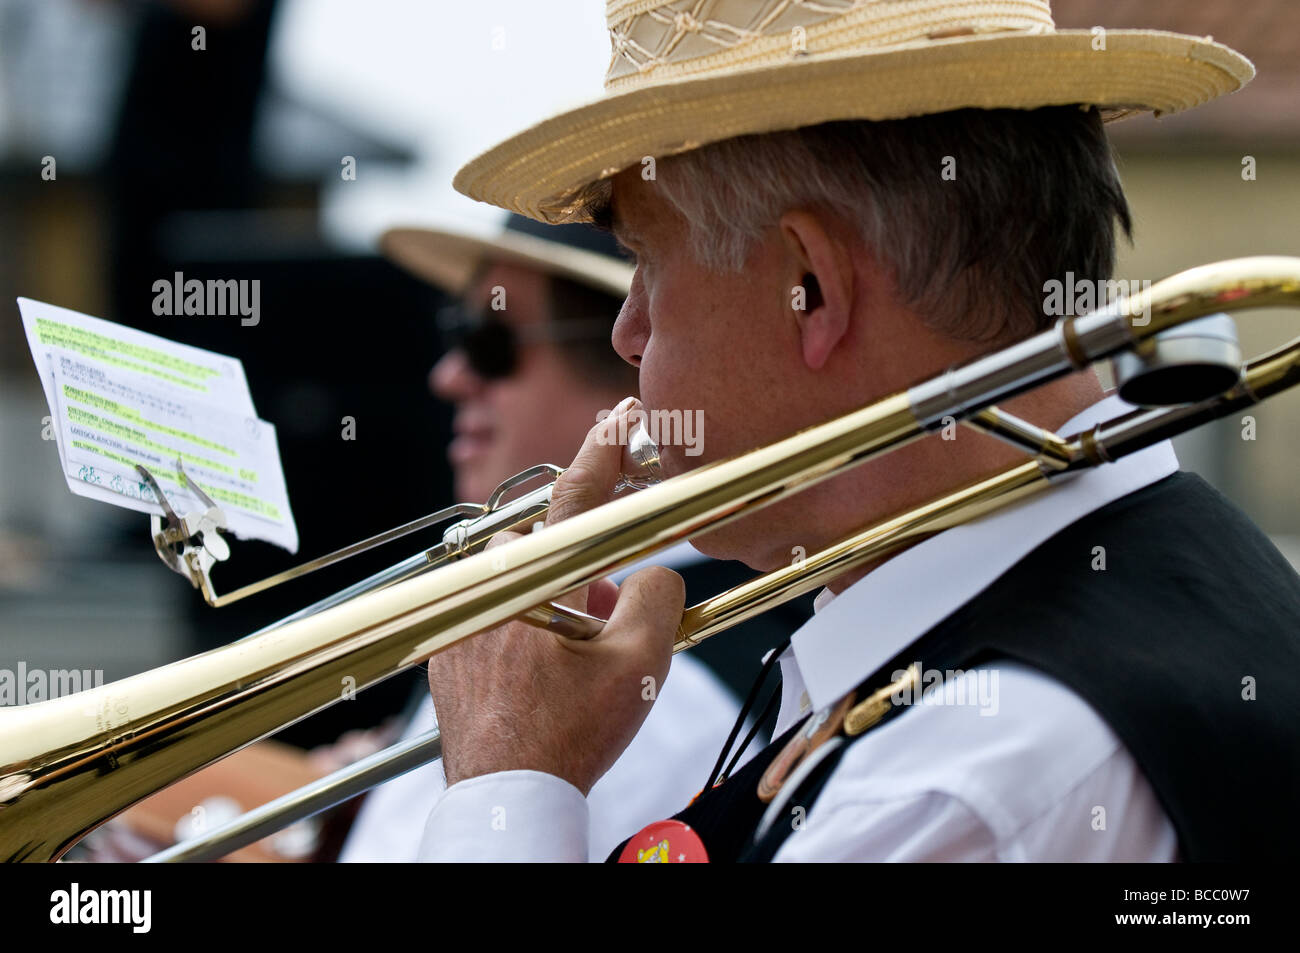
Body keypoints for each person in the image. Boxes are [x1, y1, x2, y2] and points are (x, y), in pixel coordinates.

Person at [418, 0, 1300, 862]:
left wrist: (509, 781)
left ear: (812, 287)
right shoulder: (1095, 615)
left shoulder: (958, 782)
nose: (628, 331)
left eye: (647, 260)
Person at [339, 212, 809, 861]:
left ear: (630, 372)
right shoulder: (570, 651)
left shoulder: (654, 695)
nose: (448, 375)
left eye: (488, 341)